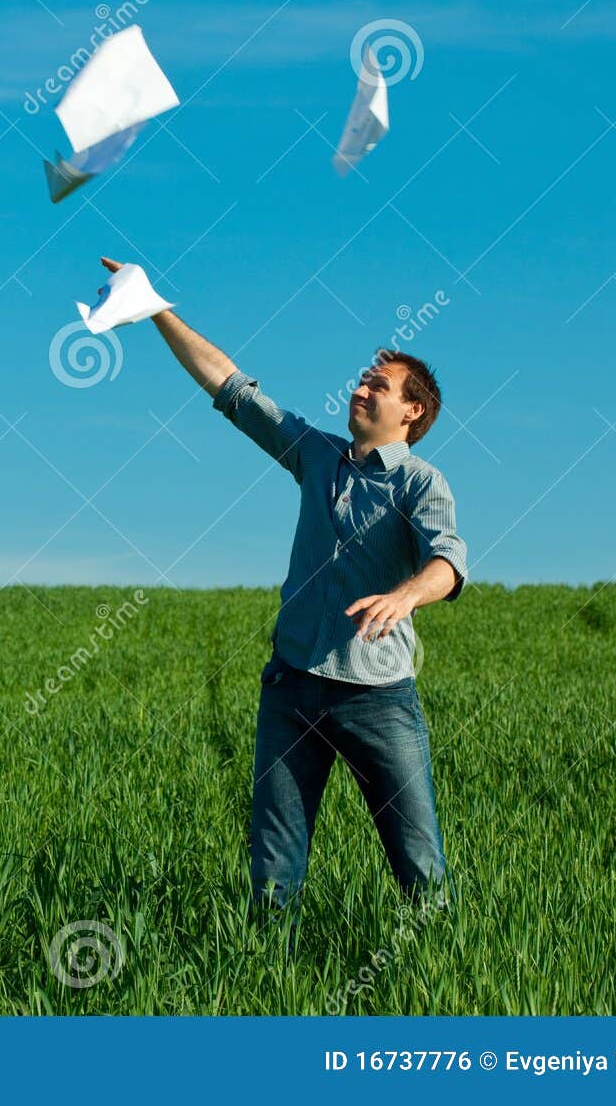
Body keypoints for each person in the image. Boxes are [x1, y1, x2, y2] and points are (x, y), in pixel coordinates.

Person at [99, 256, 468, 917]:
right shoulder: (317, 453)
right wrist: (153, 307)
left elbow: (448, 559)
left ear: (411, 410)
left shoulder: (421, 482)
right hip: (292, 689)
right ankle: (271, 993)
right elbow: (234, 388)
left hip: (379, 698)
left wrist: (406, 595)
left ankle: (440, 988)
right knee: (273, 878)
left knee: (421, 869)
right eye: (361, 380)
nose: (361, 388)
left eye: (377, 385)